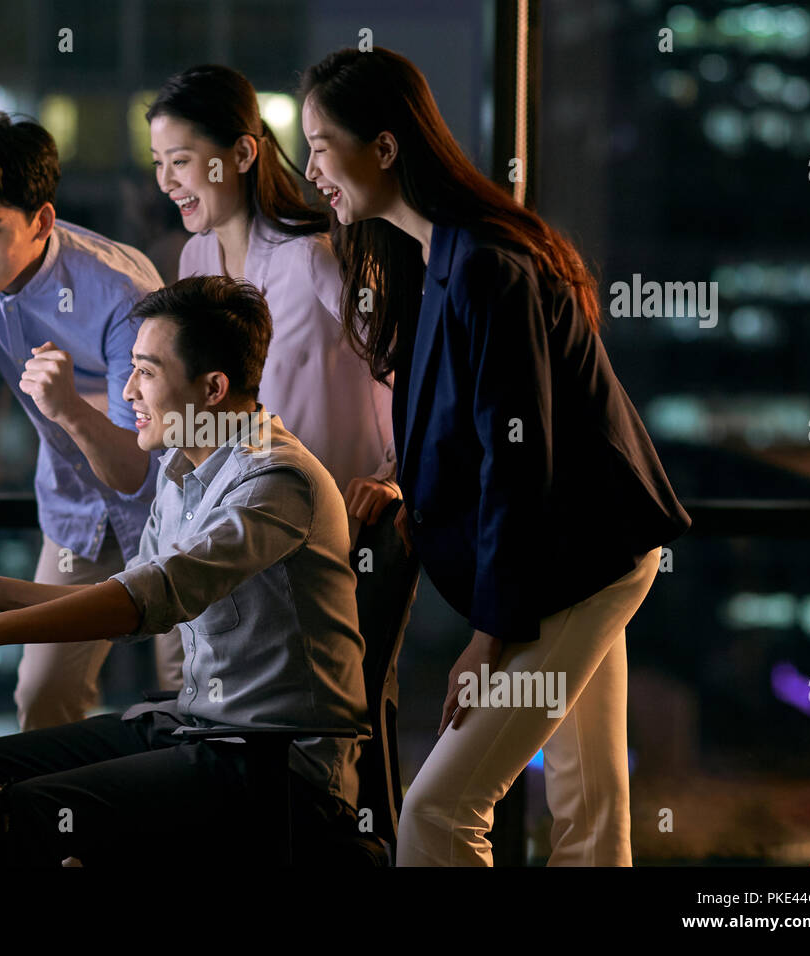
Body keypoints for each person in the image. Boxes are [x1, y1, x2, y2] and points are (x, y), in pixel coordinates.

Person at [300, 47, 692, 866]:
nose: (310, 171)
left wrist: (489, 639)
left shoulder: (484, 264)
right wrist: (408, 484)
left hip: (581, 561)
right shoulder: (433, 257)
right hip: (565, 560)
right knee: (589, 815)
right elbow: (474, 431)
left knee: (438, 813)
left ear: (385, 145)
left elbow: (522, 462)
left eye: (320, 145)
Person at [0, 276, 369, 865]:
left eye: (146, 372)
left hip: (274, 766)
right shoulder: (181, 468)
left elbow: (152, 596)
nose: (127, 391)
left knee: (19, 810)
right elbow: (128, 591)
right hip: (196, 726)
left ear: (213, 388)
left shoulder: (276, 481)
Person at [0, 111, 182, 730]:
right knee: (42, 697)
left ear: (41, 221)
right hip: (77, 513)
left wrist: (69, 410)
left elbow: (136, 471)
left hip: (174, 513)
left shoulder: (119, 291)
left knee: (188, 699)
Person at [146, 64, 399, 539]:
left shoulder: (314, 256)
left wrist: (394, 479)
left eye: (179, 161)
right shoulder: (195, 257)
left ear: (241, 153)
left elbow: (407, 361)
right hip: (243, 522)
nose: (165, 181)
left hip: (345, 522)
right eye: (158, 163)